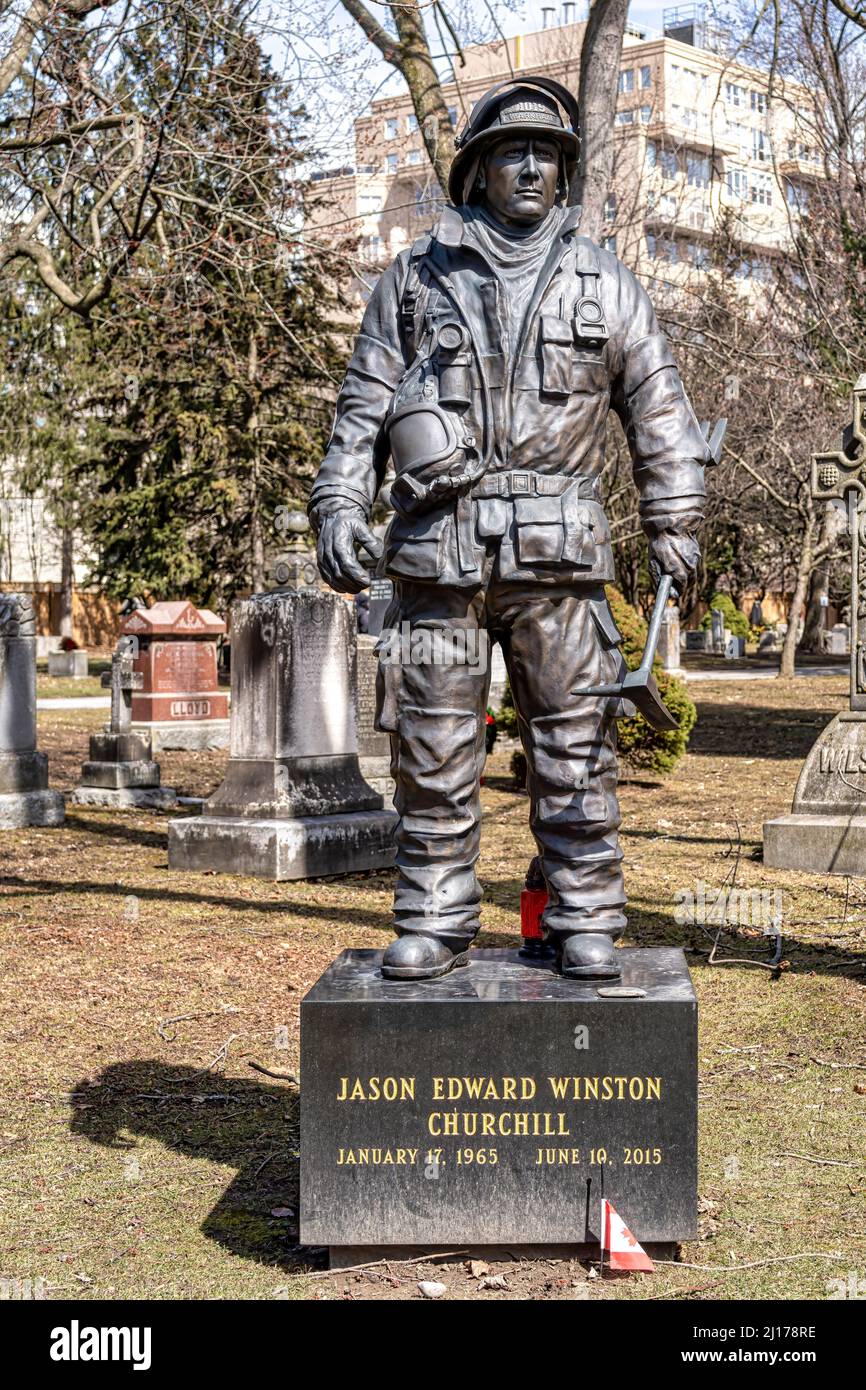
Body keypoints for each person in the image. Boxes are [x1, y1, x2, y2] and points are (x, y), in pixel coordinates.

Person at [308, 77, 709, 980]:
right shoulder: (414, 278)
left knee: (573, 748)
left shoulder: (607, 281)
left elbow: (660, 408)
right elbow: (361, 408)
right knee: (435, 750)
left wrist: (673, 516)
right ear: (478, 168)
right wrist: (339, 502)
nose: (530, 166)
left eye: (546, 154)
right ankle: (436, 915)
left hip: (558, 555)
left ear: (564, 172)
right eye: (511, 152)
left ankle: (583, 916)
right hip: (436, 553)